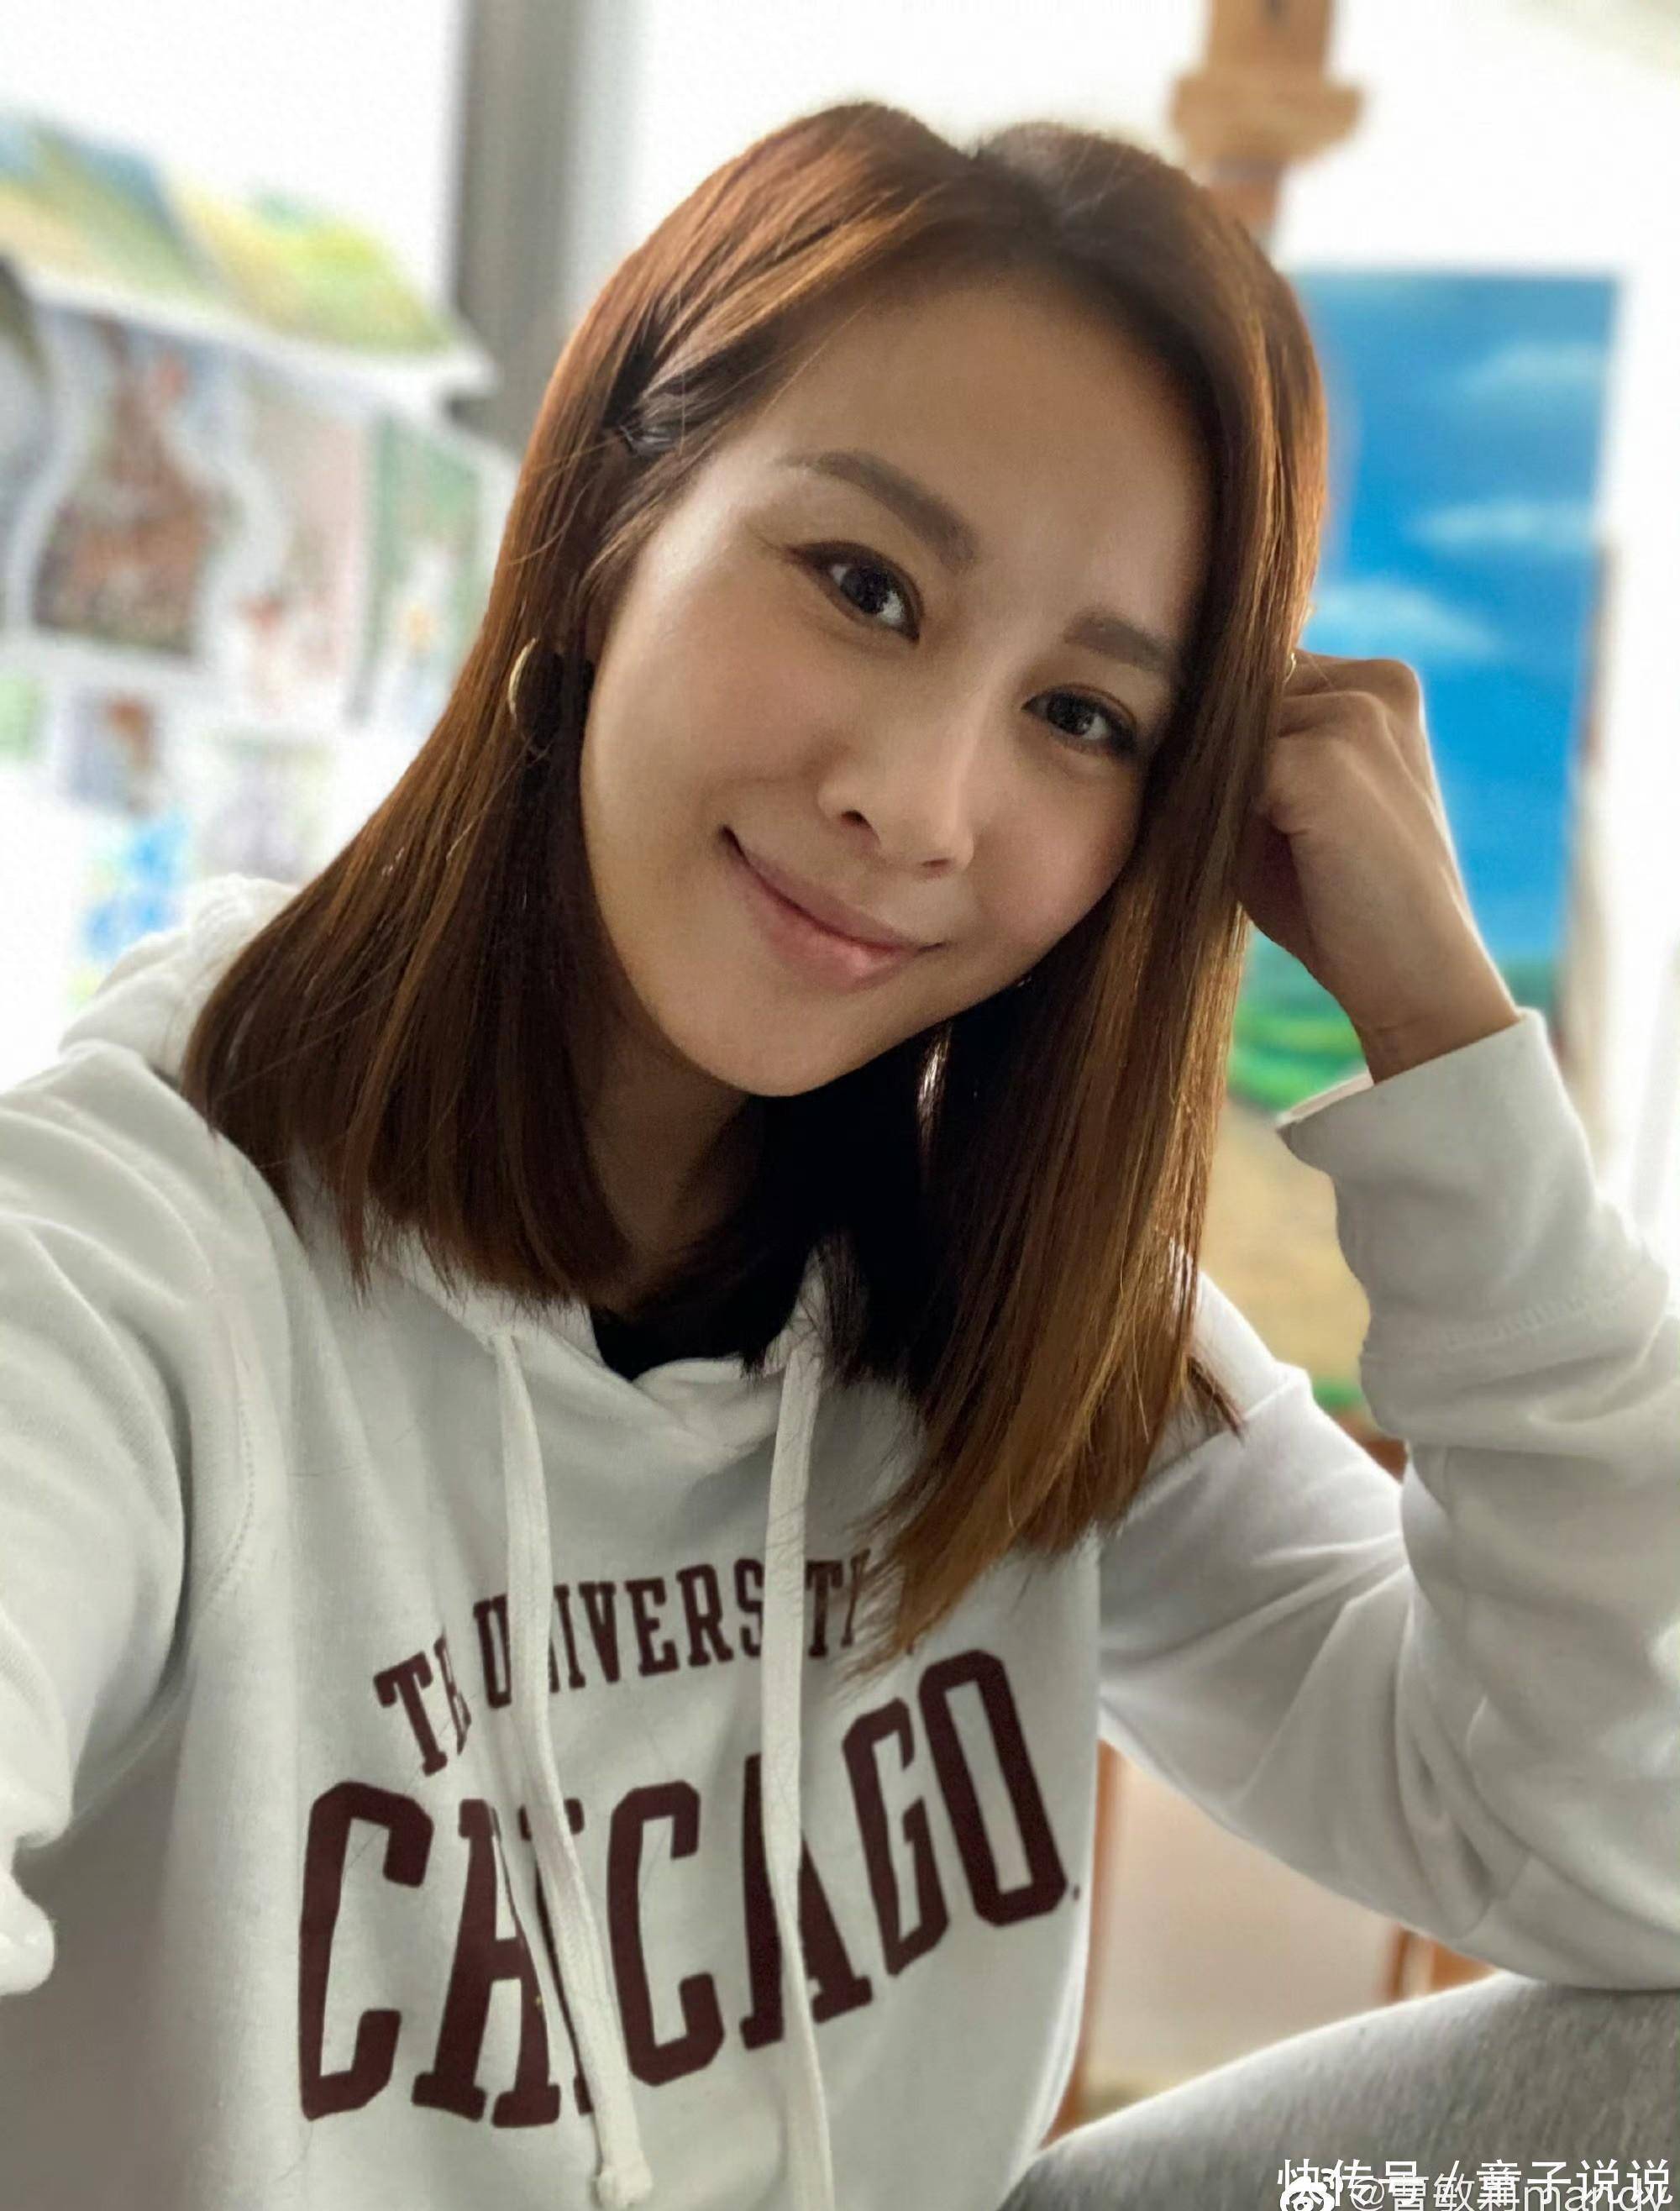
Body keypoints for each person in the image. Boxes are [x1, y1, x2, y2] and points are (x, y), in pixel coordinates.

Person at [0, 98, 1674, 2211]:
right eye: (864, 586)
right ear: (609, 521)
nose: (919, 800)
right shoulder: (132, 1252)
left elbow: (1624, 1849)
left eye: (1083, 717)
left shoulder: (1003, 1297)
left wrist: (1446, 1030)